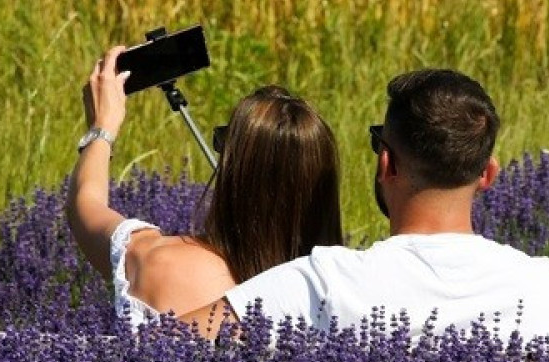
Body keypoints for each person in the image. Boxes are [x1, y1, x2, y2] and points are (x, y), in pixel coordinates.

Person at [181, 68, 549, 345]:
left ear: (386, 163)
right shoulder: (543, 287)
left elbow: (158, 349)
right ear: (487, 175)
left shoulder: (324, 283)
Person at [67, 46, 343, 329]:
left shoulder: (166, 264)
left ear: (238, 173)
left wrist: (102, 128)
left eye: (224, 140)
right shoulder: (346, 294)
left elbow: (85, 205)